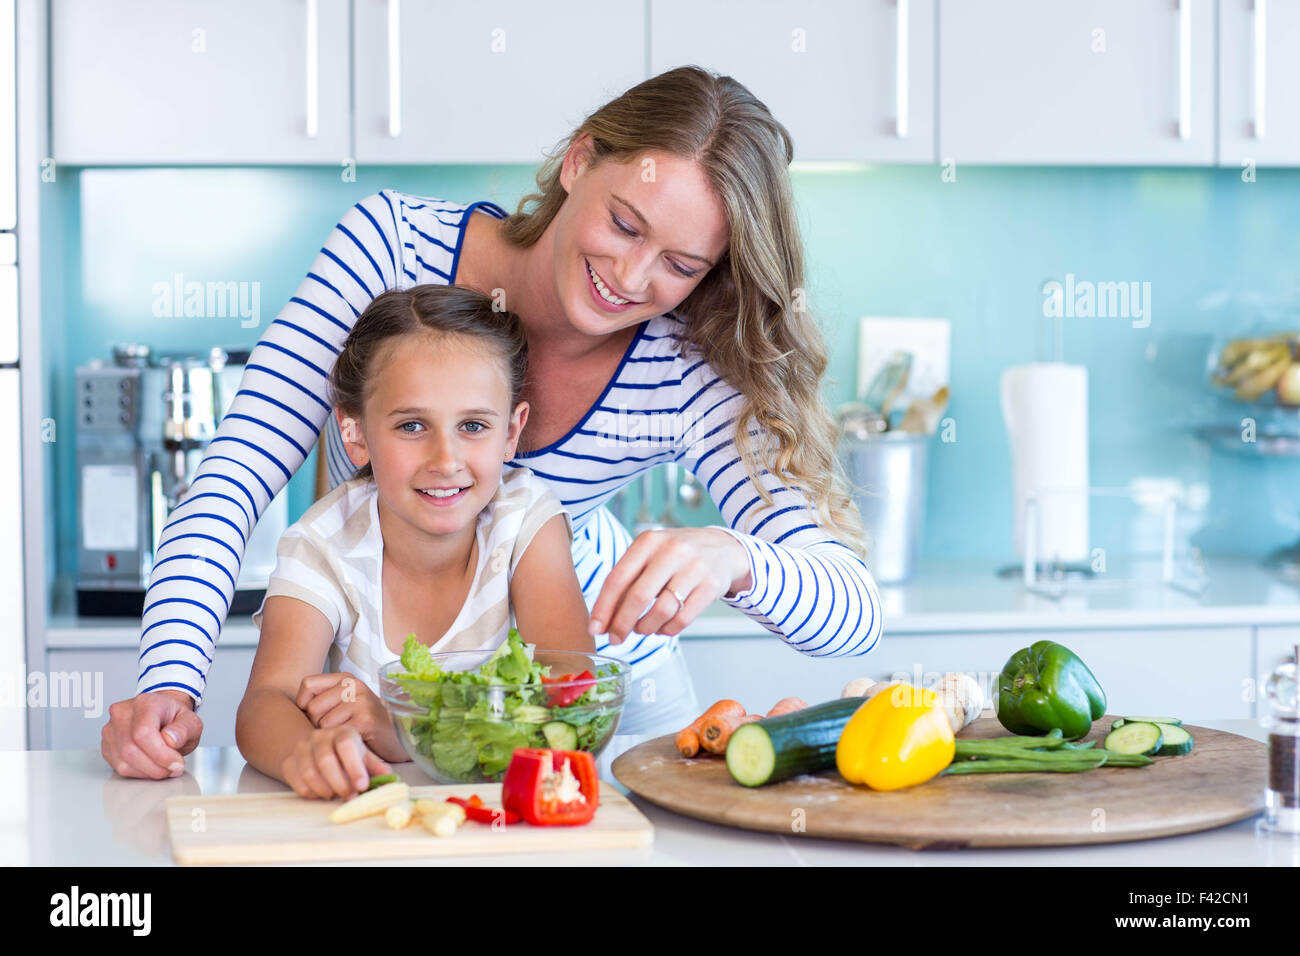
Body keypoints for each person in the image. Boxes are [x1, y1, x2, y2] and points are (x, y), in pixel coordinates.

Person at [102, 65, 884, 780]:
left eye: (681, 266)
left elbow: (853, 612)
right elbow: (234, 475)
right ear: (578, 162)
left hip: (597, 708)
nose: (631, 276)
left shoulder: (687, 365)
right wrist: (169, 680)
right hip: (382, 696)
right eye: (624, 224)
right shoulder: (391, 248)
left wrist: (734, 556)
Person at [236, 284, 593, 798]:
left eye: (473, 425)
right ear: (355, 434)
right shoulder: (322, 542)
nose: (445, 460)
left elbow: (568, 687)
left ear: (511, 433)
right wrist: (305, 751)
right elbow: (265, 702)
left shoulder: (525, 519)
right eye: (411, 425)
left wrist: (406, 730)